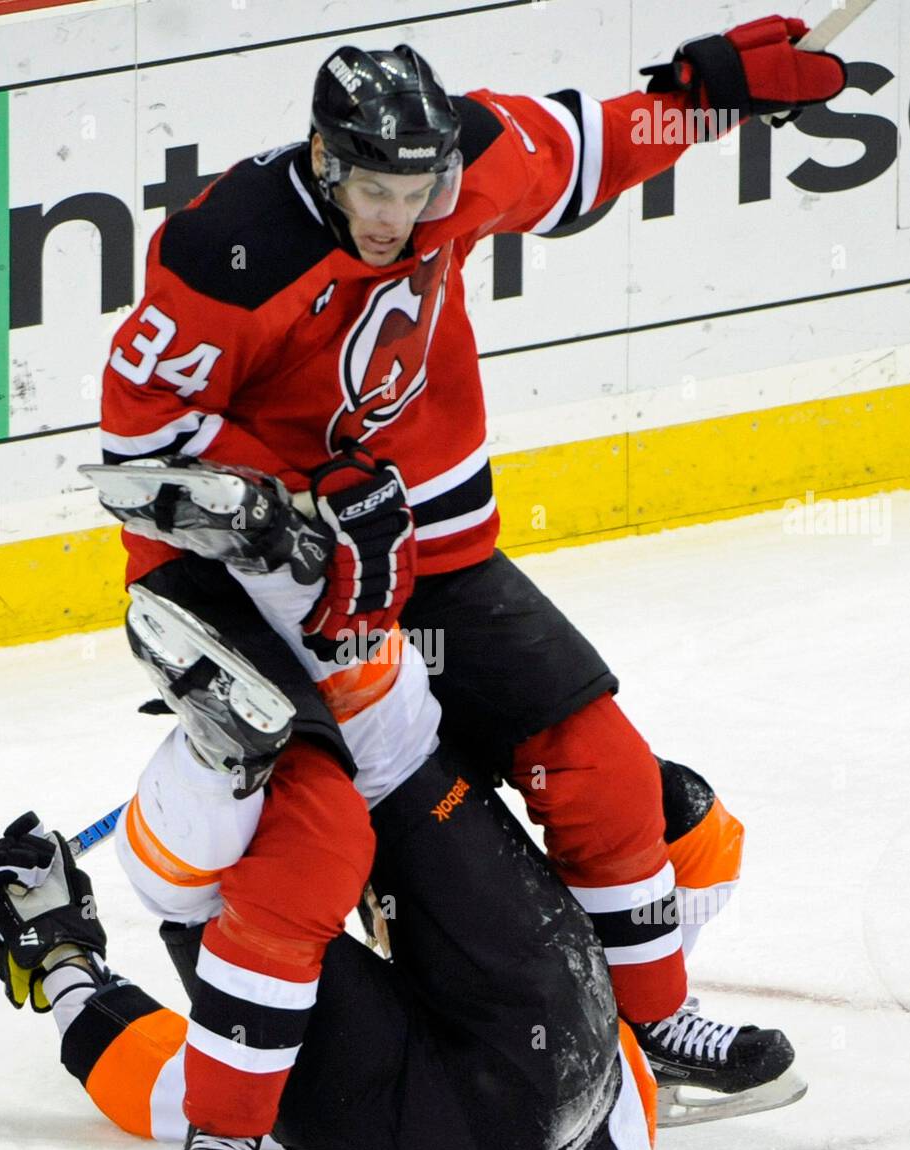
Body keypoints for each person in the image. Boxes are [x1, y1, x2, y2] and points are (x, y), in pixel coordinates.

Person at [92, 21, 846, 1055]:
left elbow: (592, 151)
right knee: (321, 831)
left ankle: (657, 1024)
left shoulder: (469, 160)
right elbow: (143, 448)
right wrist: (309, 494)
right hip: (275, 586)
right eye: (374, 195)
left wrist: (707, 99)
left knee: (602, 763)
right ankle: (246, 1056)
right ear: (325, 161)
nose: (398, 221)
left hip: (428, 549)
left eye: (419, 195)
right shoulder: (233, 249)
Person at [0, 522, 801, 1150]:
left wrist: (64, 963)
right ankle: (281, 738)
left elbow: (169, 1089)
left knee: (230, 902)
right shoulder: (577, 917)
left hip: (442, 1145)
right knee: (364, 811)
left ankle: (225, 767)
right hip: (545, 1077)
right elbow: (685, 825)